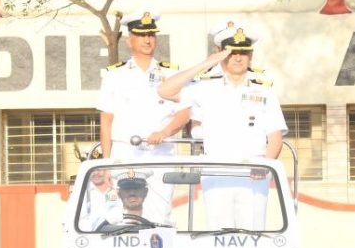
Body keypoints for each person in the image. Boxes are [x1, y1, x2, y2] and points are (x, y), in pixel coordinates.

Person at [157, 27, 287, 230]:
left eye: (243, 52)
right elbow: (165, 90)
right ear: (222, 55)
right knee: (218, 236)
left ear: (250, 55)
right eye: (231, 53)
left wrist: (265, 166)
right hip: (217, 172)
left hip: (253, 173)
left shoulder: (264, 90)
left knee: (252, 234)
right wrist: (206, 63)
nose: (238, 58)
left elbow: (276, 137)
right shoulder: (205, 88)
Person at [96, 12, 181, 158]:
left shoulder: (172, 74)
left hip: (161, 152)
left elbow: (184, 112)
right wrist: (106, 163)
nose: (147, 40)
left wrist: (164, 133)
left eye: (151, 35)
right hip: (125, 152)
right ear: (129, 41)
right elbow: (106, 121)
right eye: (142, 36)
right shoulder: (114, 75)